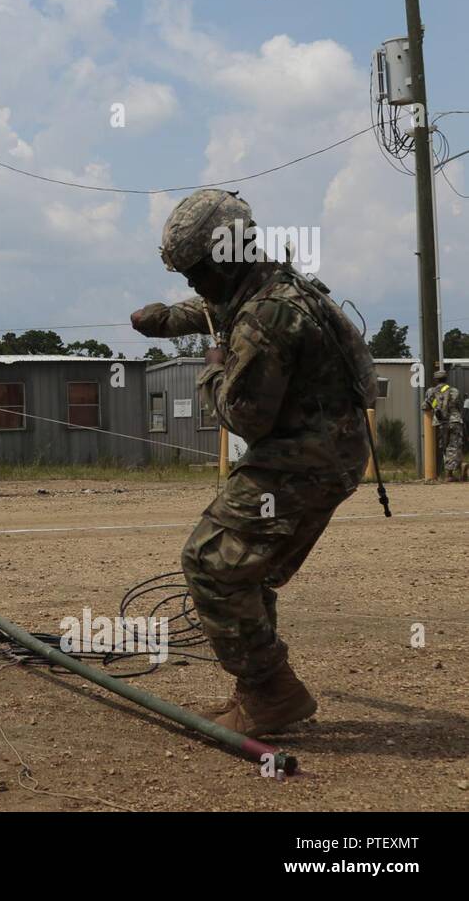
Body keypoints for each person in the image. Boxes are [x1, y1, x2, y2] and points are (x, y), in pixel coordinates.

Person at [131, 189, 377, 738]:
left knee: (212, 562)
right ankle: (258, 695)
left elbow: (242, 416)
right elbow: (212, 310)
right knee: (247, 568)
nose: (193, 284)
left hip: (304, 458)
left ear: (224, 256)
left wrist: (212, 368)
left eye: (197, 272)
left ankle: (271, 691)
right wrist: (166, 319)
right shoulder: (267, 285)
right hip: (321, 451)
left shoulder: (267, 314)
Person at [421, 368, 464, 481]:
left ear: (435, 380)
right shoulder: (454, 391)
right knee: (454, 446)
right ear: (446, 379)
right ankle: (450, 474)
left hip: (440, 423)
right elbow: (460, 407)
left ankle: (435, 473)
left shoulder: (431, 391)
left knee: (441, 447)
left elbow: (425, 406)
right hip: (455, 421)